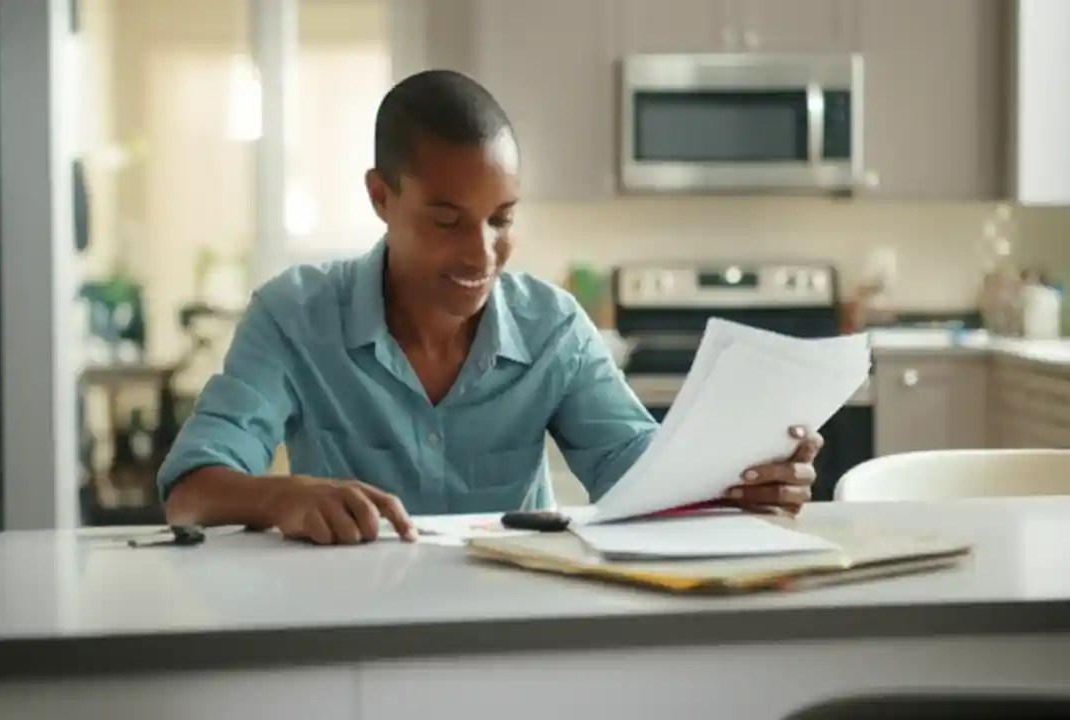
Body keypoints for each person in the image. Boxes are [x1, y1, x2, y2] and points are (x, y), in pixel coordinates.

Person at [158, 70, 822, 545]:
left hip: (515, 628)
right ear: (381, 197)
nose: (482, 254)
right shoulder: (293, 315)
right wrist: (280, 497)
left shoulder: (554, 327)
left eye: (501, 219)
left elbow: (640, 479)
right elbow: (190, 489)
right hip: (348, 625)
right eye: (448, 221)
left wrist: (742, 482)